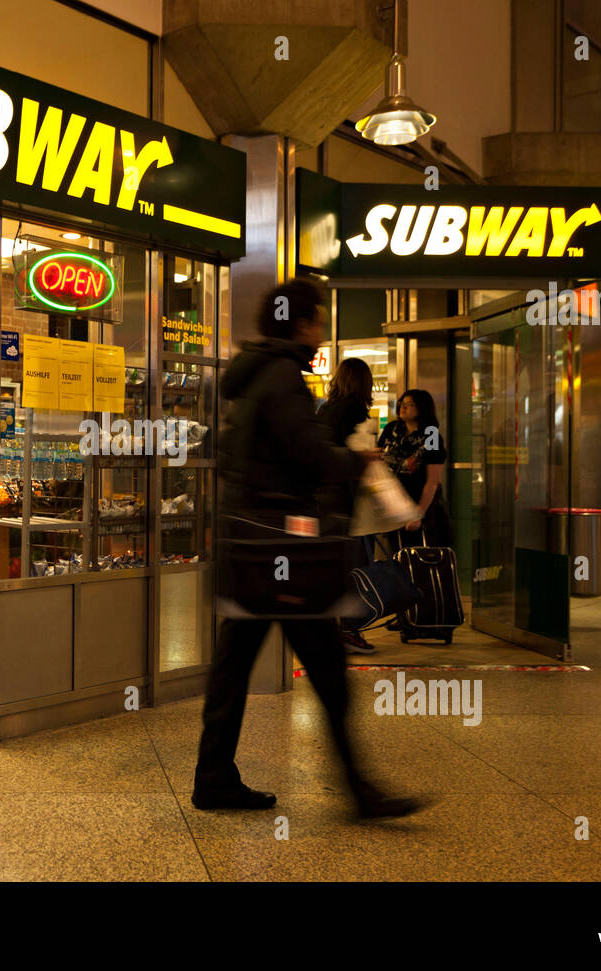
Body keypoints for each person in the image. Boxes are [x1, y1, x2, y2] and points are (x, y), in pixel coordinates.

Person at [193, 278, 427, 821]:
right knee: (326, 669)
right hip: (286, 556)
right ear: (300, 323)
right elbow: (308, 457)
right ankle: (360, 791)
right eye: (317, 318)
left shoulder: (252, 377)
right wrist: (359, 462)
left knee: (232, 670)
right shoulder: (282, 379)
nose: (320, 328)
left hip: (251, 547)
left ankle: (214, 779)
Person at [318, 357, 378, 654]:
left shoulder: (326, 409)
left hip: (325, 500)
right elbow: (361, 457)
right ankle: (349, 629)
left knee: (333, 566)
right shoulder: (354, 411)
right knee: (355, 566)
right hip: (348, 500)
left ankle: (332, 629)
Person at [377, 388, 453, 554]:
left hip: (419, 501)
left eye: (409, 404)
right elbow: (378, 457)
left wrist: (419, 512)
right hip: (393, 502)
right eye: (402, 403)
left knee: (419, 555)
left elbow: (432, 481)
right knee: (395, 554)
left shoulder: (431, 435)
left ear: (422, 408)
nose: (403, 408)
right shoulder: (392, 429)